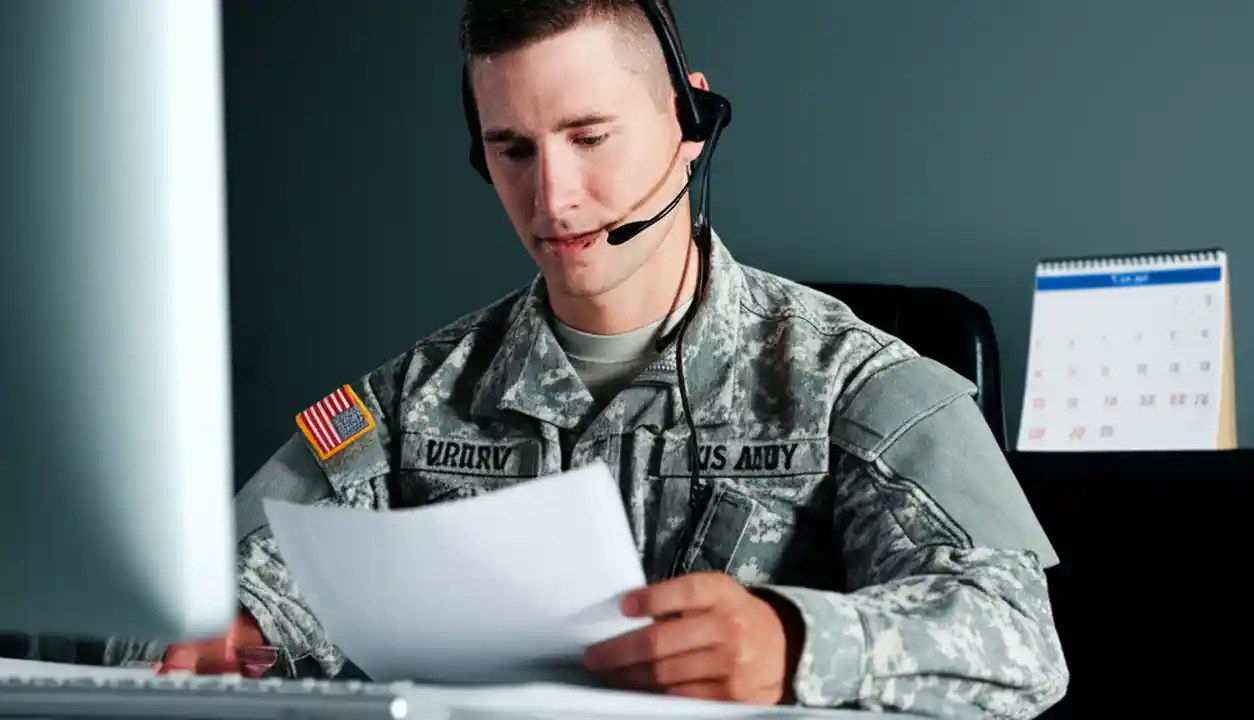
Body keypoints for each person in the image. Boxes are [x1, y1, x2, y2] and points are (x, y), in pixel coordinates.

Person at [108, 0, 1069, 716]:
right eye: (512, 149)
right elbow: (201, 592)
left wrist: (797, 641)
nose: (554, 199)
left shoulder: (865, 390)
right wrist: (226, 632)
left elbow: (1022, 641)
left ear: (691, 125)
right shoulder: (411, 401)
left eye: (589, 136)